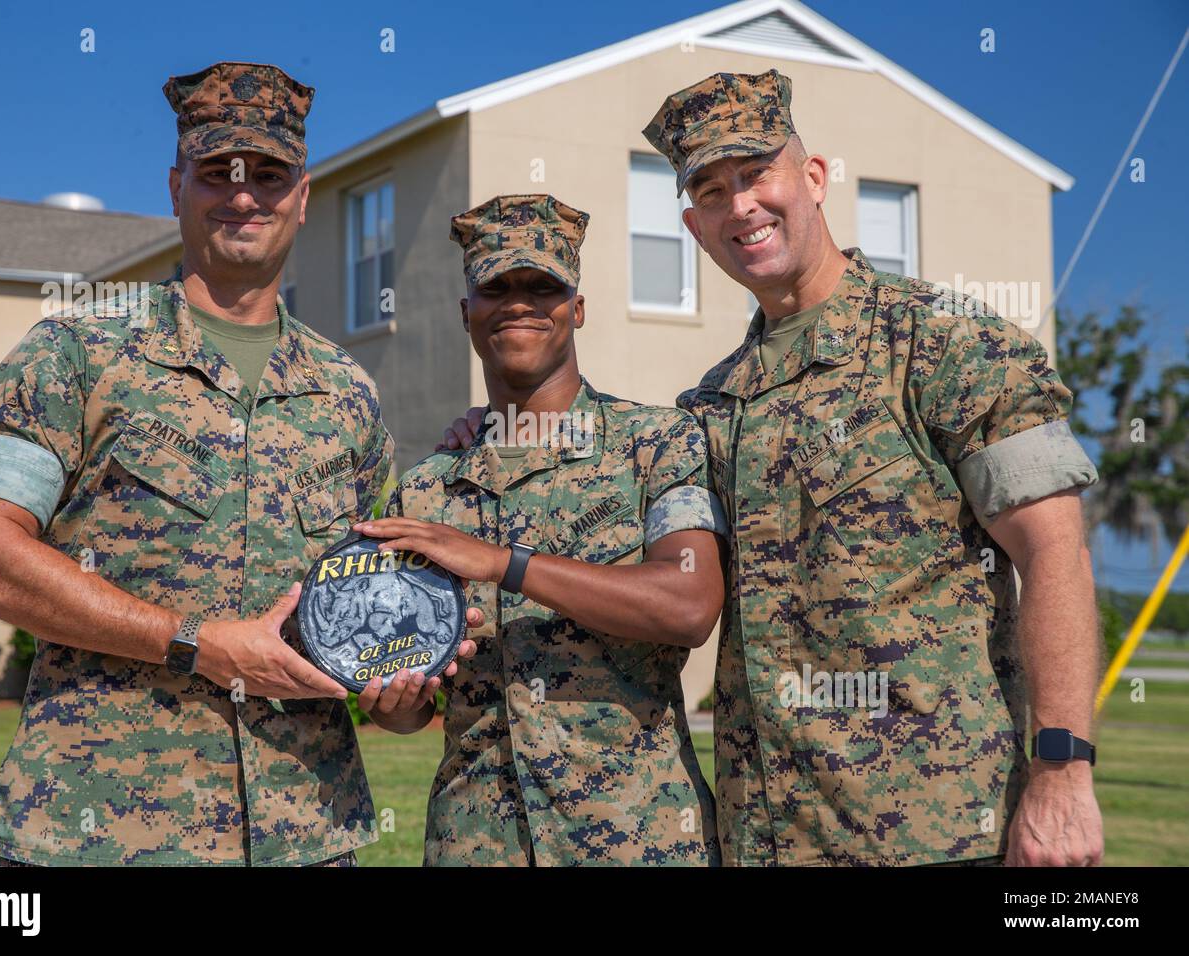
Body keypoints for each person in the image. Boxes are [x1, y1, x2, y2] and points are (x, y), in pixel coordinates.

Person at [441, 71, 1104, 867]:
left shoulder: (944, 343)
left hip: (937, 831)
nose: (741, 206)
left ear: (814, 178)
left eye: (758, 174)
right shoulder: (712, 405)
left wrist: (1063, 768)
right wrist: (505, 429)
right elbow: (626, 485)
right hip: (765, 836)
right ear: (692, 224)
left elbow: (1053, 551)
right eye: (712, 191)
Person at [0, 60, 474, 867]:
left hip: (307, 833)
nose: (242, 194)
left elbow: (368, 609)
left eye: (268, 174)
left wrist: (404, 688)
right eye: (216, 172)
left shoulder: (348, 395)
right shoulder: (76, 351)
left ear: (301, 197)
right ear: (174, 186)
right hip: (102, 832)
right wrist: (194, 641)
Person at [356, 194, 728, 865]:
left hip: (637, 840)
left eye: (542, 286)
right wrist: (396, 701)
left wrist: (503, 563)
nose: (519, 302)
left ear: (576, 309)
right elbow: (405, 708)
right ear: (467, 313)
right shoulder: (427, 490)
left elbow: (690, 605)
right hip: (475, 845)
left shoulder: (656, 445)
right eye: (496, 286)